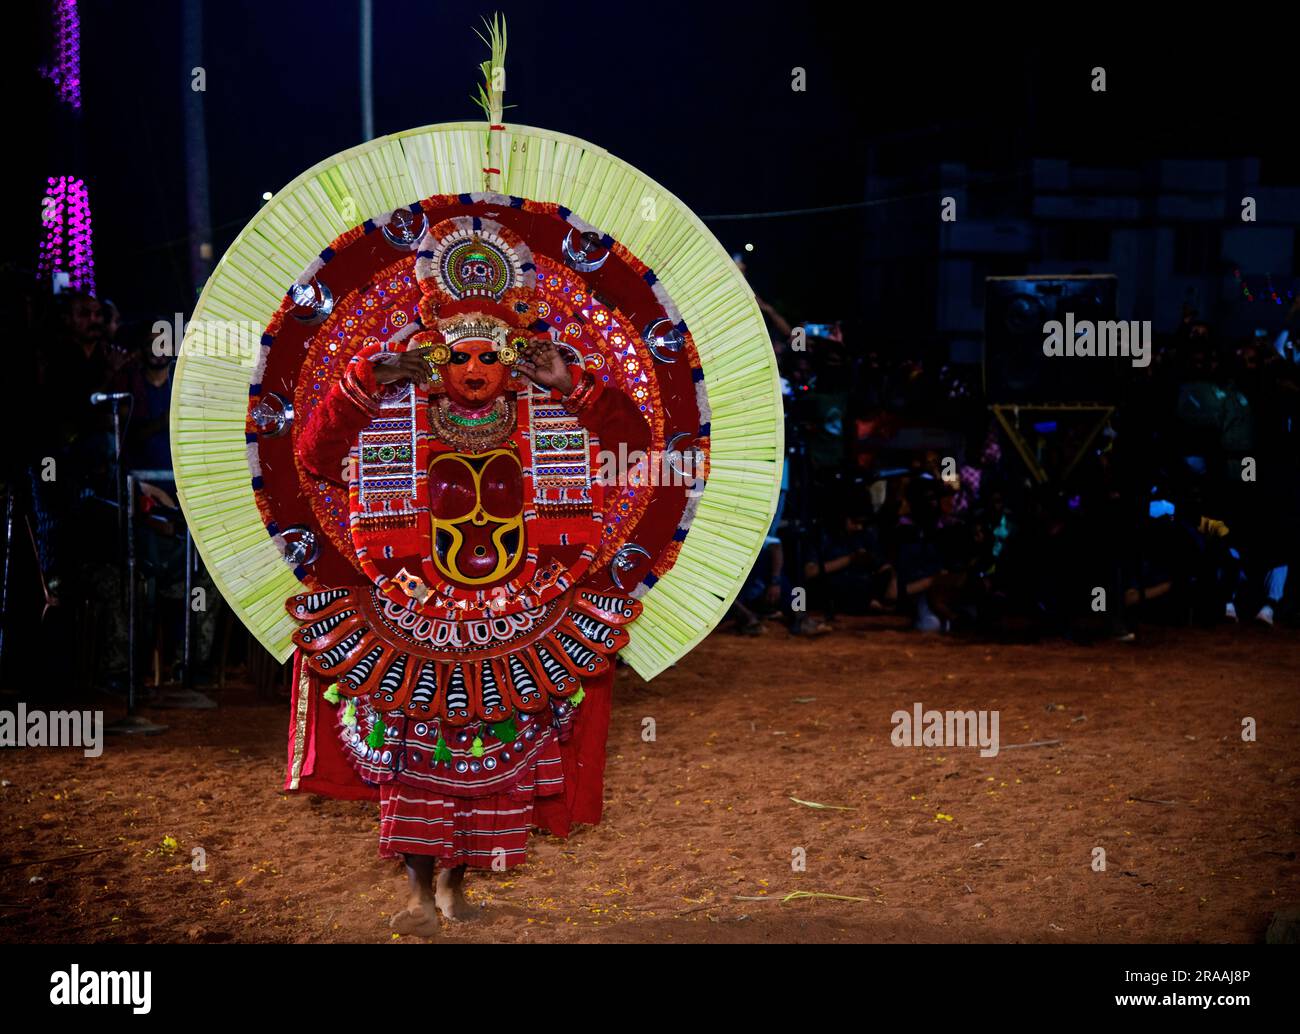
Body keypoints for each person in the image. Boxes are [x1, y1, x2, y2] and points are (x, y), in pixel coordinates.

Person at [286, 217, 650, 936]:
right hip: (415, 610)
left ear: (512, 362)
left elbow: (636, 443)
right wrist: (370, 379)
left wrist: (569, 381)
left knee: (499, 748)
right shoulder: (396, 409)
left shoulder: (543, 414)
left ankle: (458, 885)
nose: (476, 368)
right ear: (434, 359)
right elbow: (317, 457)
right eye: (460, 356)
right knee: (417, 751)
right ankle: (420, 892)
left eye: (491, 356)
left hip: (520, 611)